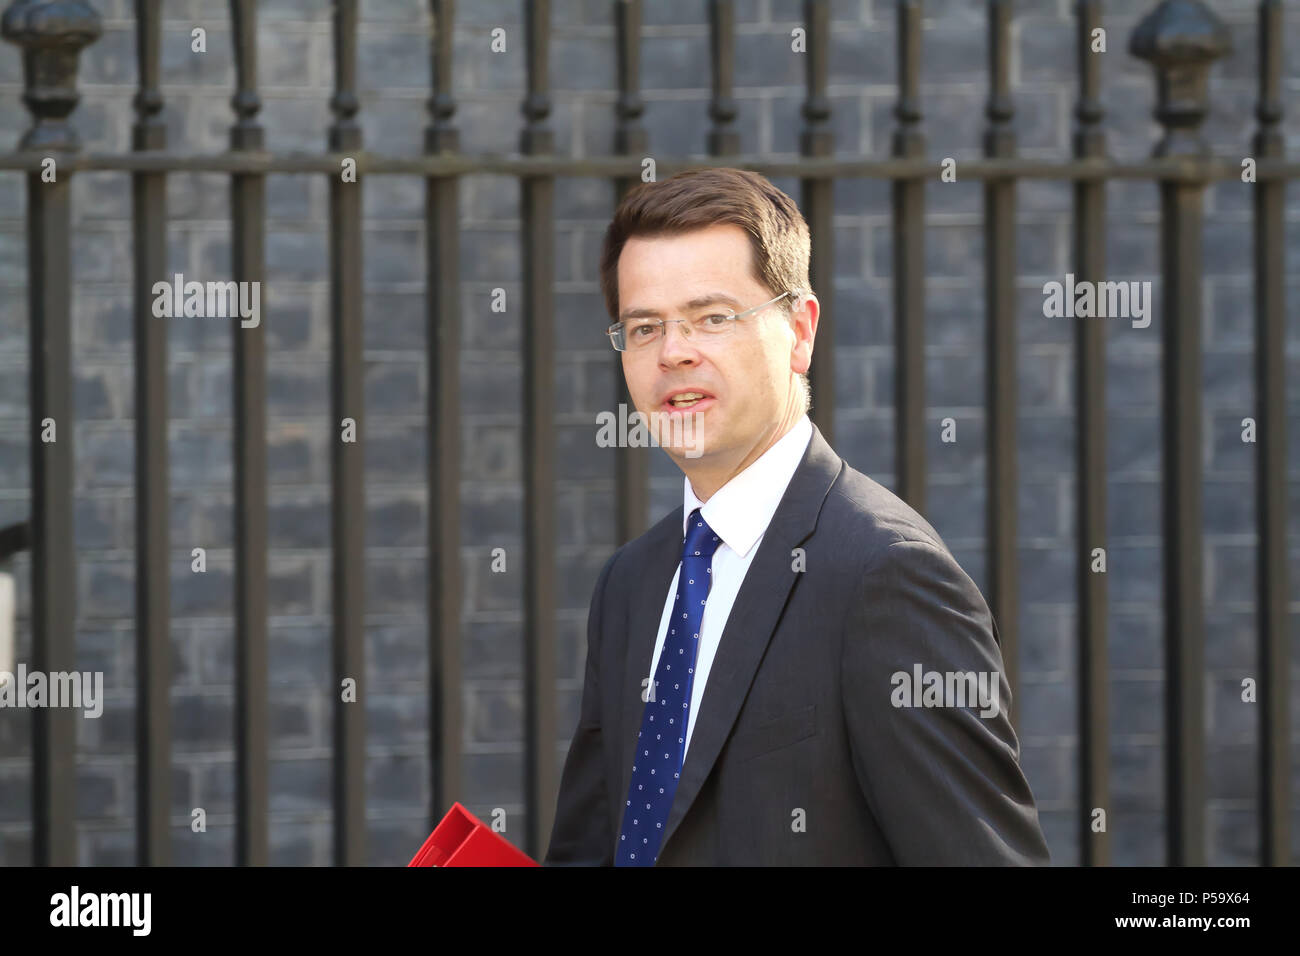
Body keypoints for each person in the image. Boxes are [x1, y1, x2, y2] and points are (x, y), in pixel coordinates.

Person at [544, 167, 1050, 866]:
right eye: (644, 326)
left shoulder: (888, 578)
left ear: (801, 331)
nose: (673, 351)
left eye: (712, 317)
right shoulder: (632, 582)